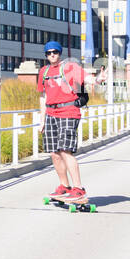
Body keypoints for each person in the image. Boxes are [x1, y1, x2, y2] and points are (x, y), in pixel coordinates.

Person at [37, 40, 90, 201]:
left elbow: (88, 79)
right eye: (49, 53)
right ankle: (64, 186)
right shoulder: (43, 72)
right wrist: (42, 120)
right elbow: (42, 97)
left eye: (55, 52)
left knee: (66, 150)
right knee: (54, 152)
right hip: (51, 114)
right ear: (46, 55)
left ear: (60, 53)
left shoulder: (70, 67)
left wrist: (100, 79)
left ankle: (78, 189)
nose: (52, 55)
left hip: (69, 111)